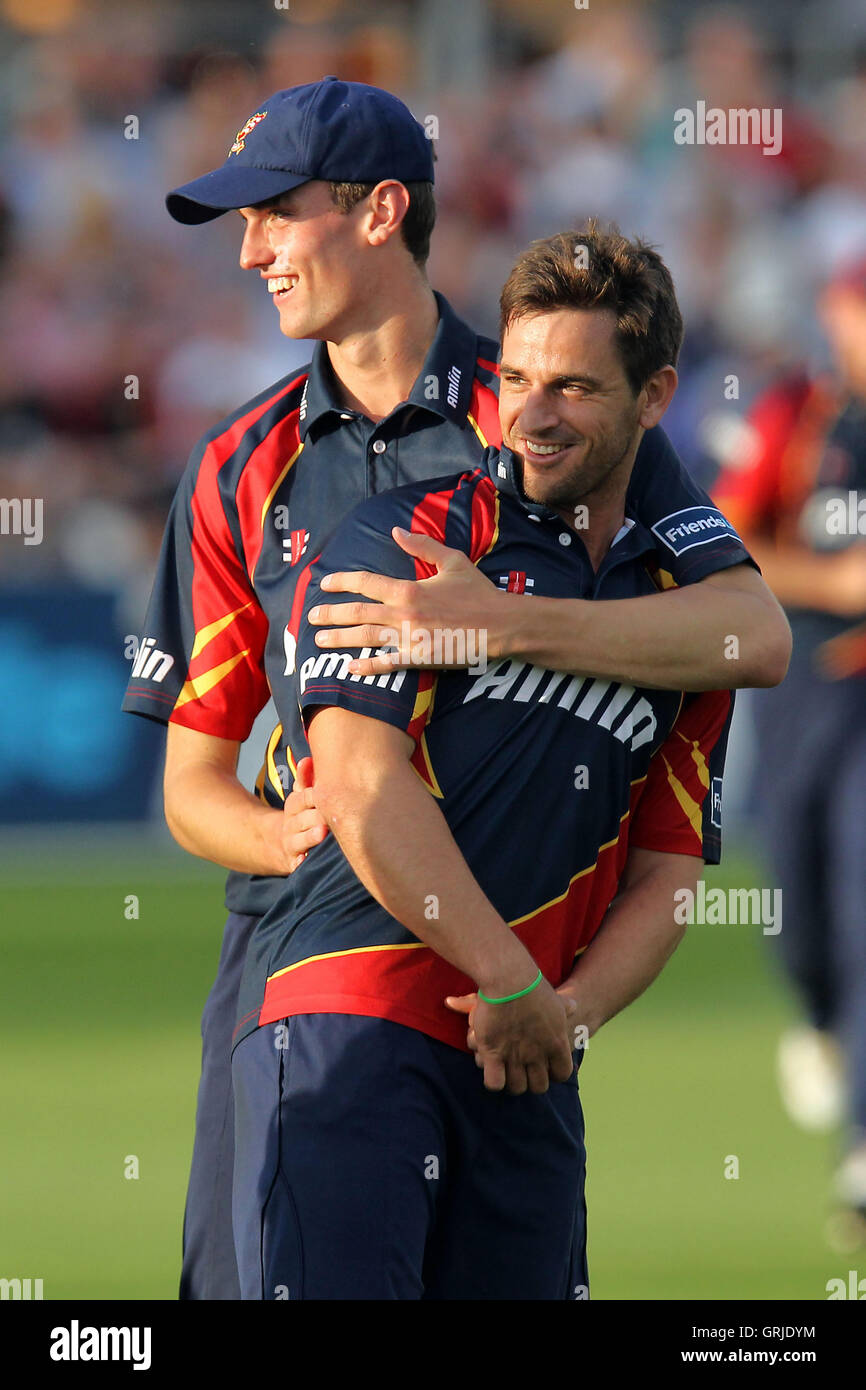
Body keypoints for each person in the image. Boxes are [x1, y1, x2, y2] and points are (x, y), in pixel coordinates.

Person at [123, 78, 791, 1300]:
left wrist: (498, 628)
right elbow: (192, 782)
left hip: (517, 976)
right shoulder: (234, 467)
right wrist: (299, 831)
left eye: (274, 213)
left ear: (380, 211)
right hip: (306, 954)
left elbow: (742, 628)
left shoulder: (549, 399)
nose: (251, 251)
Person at [230, 225, 744, 1300]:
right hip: (351, 1017)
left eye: (570, 386)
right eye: (512, 376)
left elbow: (668, 868)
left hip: (529, 1059)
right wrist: (507, 978)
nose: (529, 414)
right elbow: (366, 789)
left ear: (654, 398)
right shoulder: (401, 540)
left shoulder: (679, 612)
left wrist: (568, 1013)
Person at [712, 254, 866, 1246]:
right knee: (800, 909)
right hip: (804, 696)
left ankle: (859, 1148)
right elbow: (726, 540)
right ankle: (814, 1019)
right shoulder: (797, 416)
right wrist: (830, 579)